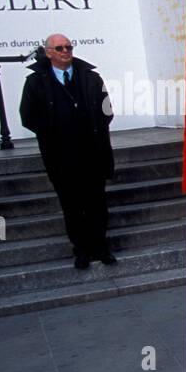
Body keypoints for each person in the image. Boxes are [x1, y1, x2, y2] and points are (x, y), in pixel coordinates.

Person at [19, 34, 116, 269]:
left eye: (69, 47)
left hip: (92, 153)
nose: (66, 51)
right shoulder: (35, 82)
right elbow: (28, 116)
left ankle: (100, 247)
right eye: (60, 47)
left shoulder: (91, 78)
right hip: (61, 156)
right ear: (48, 52)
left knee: (97, 204)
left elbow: (107, 111)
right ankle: (81, 250)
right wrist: (52, 133)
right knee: (72, 206)